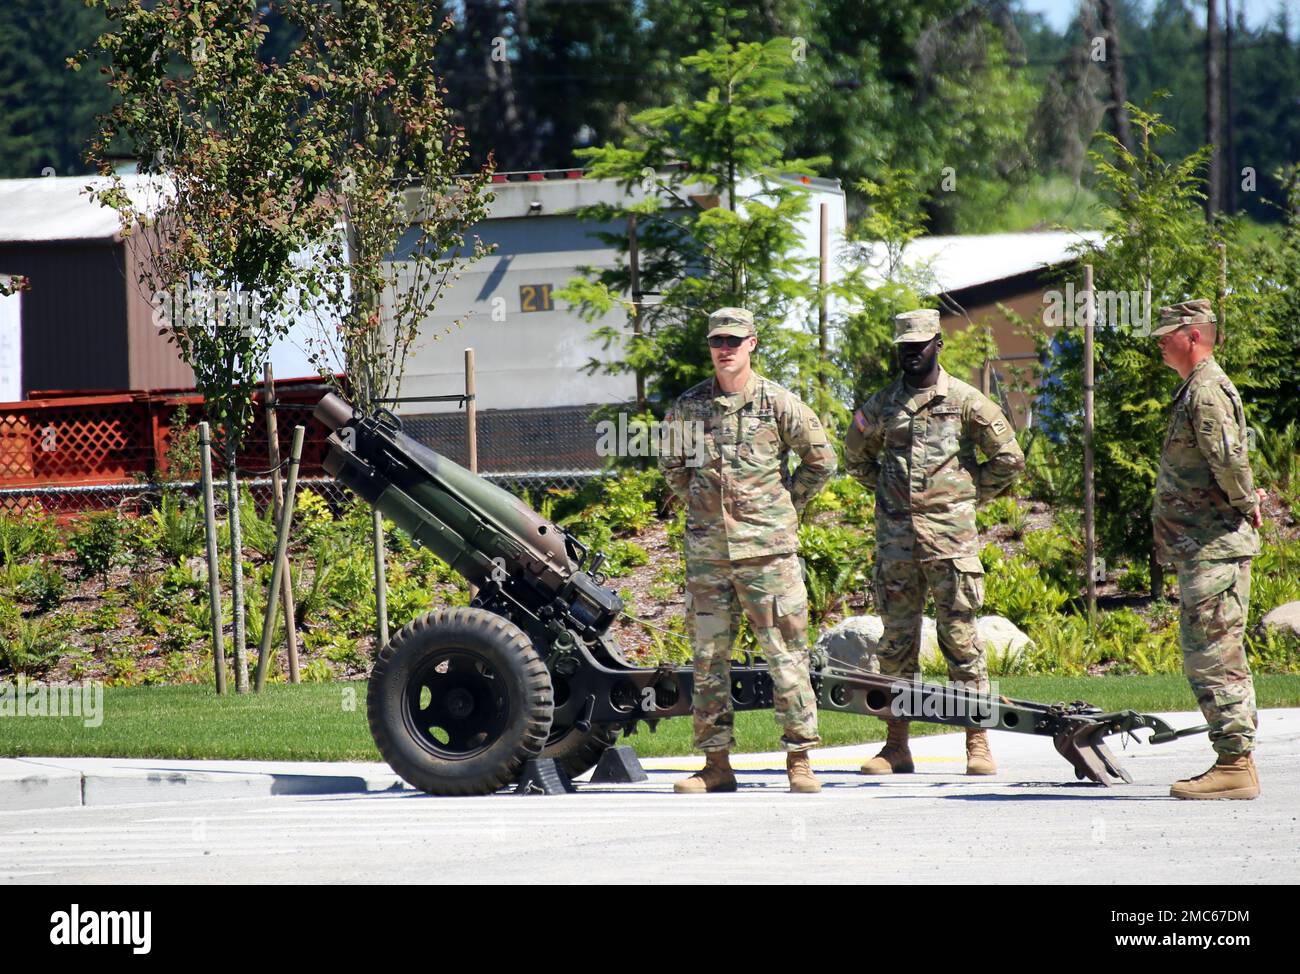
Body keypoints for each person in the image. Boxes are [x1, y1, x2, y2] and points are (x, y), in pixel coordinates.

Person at [659, 307, 836, 793]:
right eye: (718, 340)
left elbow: (821, 461)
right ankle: (716, 765)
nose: (726, 348)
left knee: (786, 655)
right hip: (709, 557)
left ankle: (799, 758)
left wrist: (785, 504)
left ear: (752, 343)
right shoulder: (689, 407)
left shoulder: (778, 403)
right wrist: (702, 510)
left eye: (735, 340)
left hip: (768, 555)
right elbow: (673, 467)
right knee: (709, 659)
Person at [843, 309, 1024, 776]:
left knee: (961, 642)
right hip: (898, 548)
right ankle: (896, 745)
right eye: (904, 346)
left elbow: (1008, 458)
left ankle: (977, 744)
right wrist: (888, 497)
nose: (911, 353)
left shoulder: (966, 401)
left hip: (951, 544)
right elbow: (855, 457)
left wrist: (966, 497)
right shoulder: (882, 404)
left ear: (937, 344)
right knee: (897, 645)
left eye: (919, 345)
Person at [1152, 299, 1264, 800]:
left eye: (1166, 332)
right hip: (1204, 544)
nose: (1158, 341)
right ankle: (1235, 760)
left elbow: (1228, 457)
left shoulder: (1206, 389)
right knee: (1210, 652)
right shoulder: (1198, 388)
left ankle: (1235, 764)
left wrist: (1245, 501)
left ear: (1193, 335)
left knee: (1214, 655)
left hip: (1214, 544)